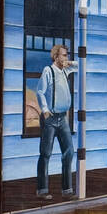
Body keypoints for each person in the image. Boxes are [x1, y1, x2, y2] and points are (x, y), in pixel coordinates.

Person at [34, 44, 77, 200]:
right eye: (64, 55)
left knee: (69, 152)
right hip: (50, 118)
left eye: (66, 55)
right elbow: (40, 91)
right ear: (56, 57)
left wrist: (69, 63)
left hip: (63, 118)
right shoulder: (48, 70)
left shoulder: (65, 70)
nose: (66, 58)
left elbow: (80, 66)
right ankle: (42, 190)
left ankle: (67, 190)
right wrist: (45, 109)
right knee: (45, 153)